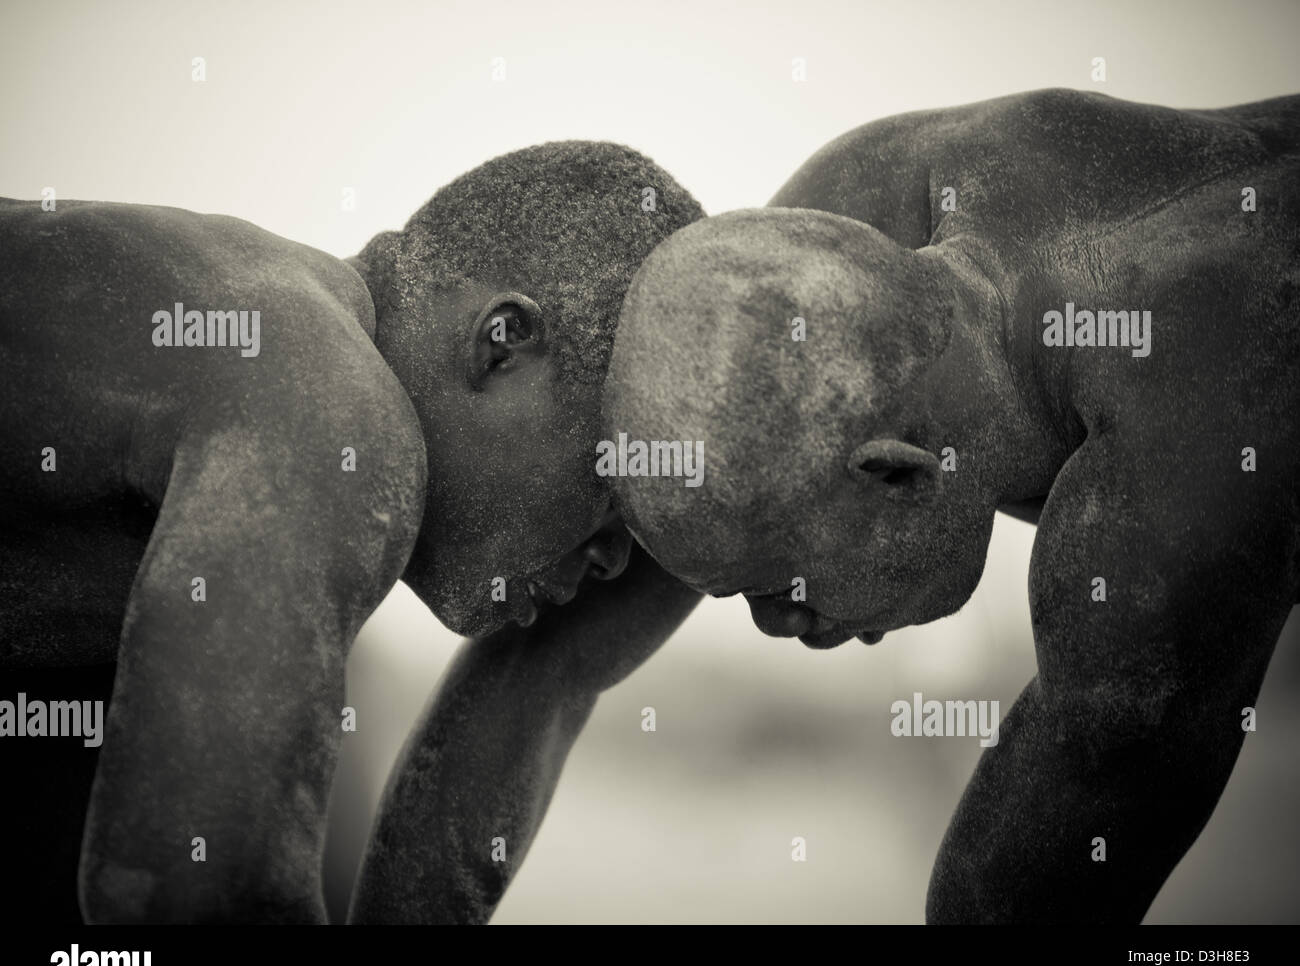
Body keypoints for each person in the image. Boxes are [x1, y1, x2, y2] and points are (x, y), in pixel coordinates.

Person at [603, 88, 1300, 922]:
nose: (780, 627)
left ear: (897, 476)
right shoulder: (893, 185)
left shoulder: (1179, 449)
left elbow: (1003, 909)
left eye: (774, 587)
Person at [0, 140, 703, 923]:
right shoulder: (330, 406)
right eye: (612, 485)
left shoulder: (160, 520)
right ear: (501, 346)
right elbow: (201, 902)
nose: (614, 559)